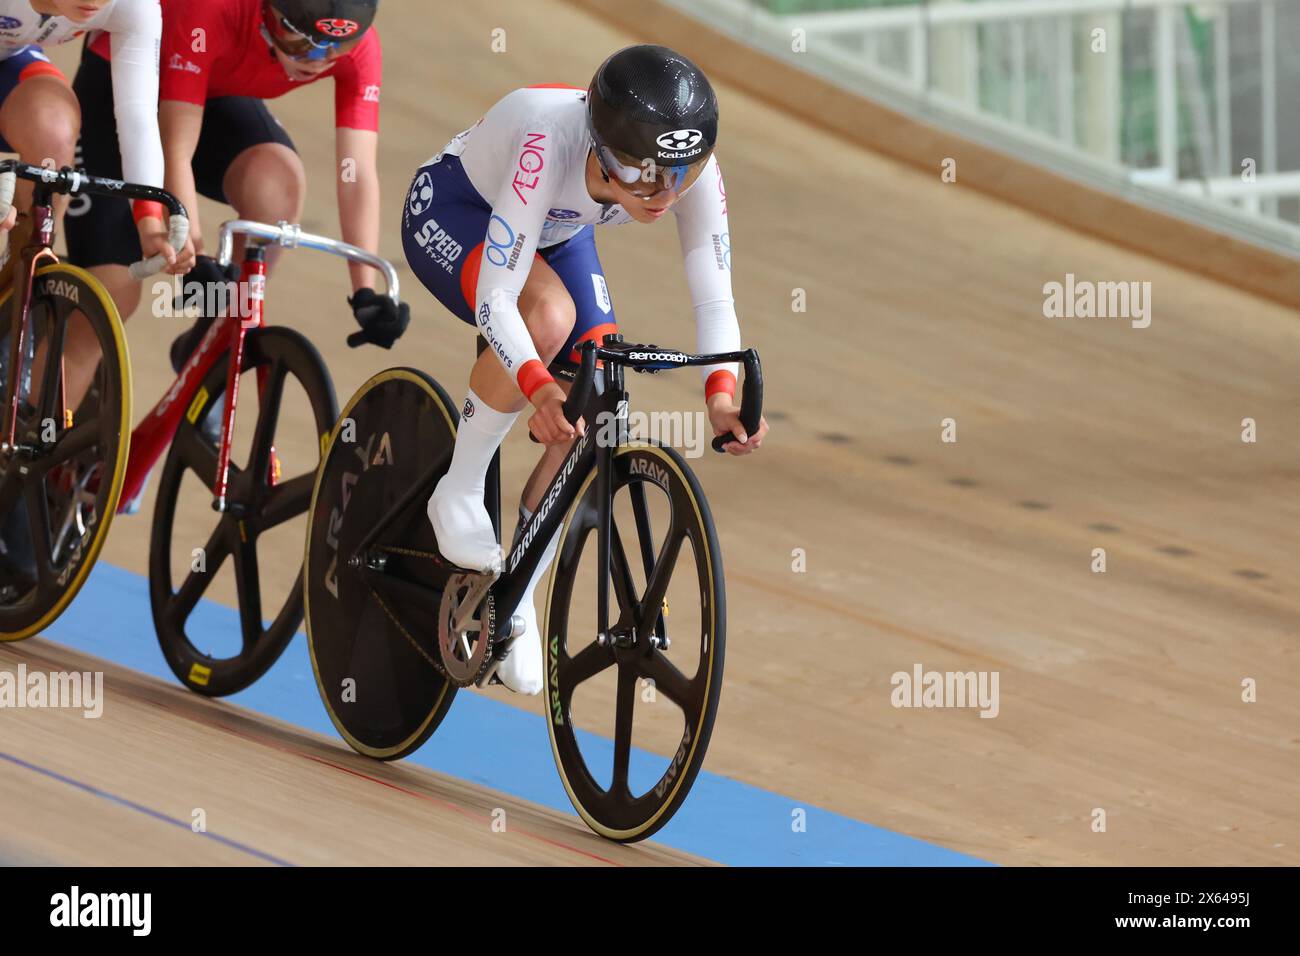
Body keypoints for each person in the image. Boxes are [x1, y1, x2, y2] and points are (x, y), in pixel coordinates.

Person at [401, 45, 769, 695]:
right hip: (456, 211)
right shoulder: (550, 139)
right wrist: (537, 384)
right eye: (646, 175)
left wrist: (721, 396)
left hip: (555, 234)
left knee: (603, 398)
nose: (666, 194)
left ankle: (515, 597)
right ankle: (457, 487)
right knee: (546, 316)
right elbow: (496, 298)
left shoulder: (686, 172)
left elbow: (715, 298)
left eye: (681, 173)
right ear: (600, 152)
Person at [64, 0, 408, 380]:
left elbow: (355, 173)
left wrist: (366, 291)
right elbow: (175, 150)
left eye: (336, 50)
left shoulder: (359, 45)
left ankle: (213, 348)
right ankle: (33, 424)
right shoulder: (214, 11)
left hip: (212, 87)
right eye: (299, 42)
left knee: (278, 185)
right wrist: (193, 251)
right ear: (269, 14)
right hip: (118, 88)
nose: (316, 59)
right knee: (112, 295)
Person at [0, 0, 175, 278]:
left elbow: (138, 117)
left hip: (12, 58)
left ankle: (19, 277)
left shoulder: (132, 5)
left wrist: (149, 221)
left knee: (55, 129)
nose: (94, 1)